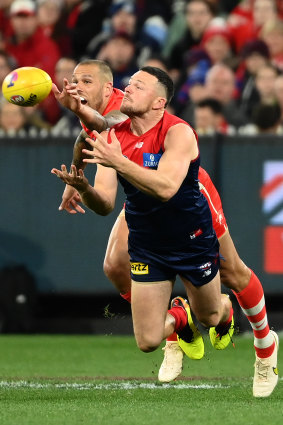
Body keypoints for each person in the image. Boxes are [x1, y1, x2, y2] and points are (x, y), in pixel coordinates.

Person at [51, 65, 279, 398]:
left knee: (231, 276)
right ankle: (177, 320)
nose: (76, 86)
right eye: (74, 81)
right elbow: (90, 134)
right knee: (116, 266)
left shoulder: (152, 120)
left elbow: (165, 185)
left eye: (86, 81)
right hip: (144, 211)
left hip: (187, 200)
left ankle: (263, 341)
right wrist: (79, 180)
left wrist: (111, 155)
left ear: (105, 88)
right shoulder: (108, 120)